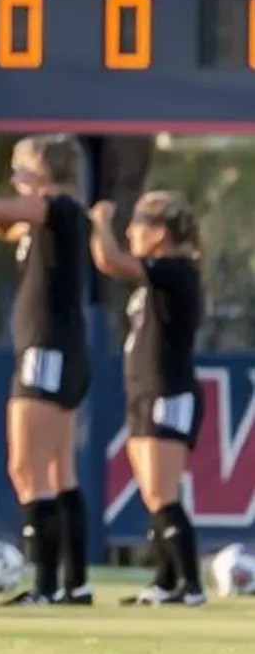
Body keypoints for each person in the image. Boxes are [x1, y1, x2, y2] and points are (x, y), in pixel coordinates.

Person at [0, 135, 93, 606]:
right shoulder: (47, 219)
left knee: (27, 468)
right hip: (55, 349)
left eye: (21, 166)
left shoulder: (58, 207)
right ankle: (74, 584)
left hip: (47, 351)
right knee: (58, 470)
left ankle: (47, 585)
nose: (15, 176)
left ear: (46, 170)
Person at [88, 191, 207, 606]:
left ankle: (190, 585)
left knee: (162, 491)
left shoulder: (175, 269)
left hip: (169, 390)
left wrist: (100, 223)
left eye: (139, 223)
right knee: (150, 492)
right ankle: (164, 579)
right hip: (143, 391)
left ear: (160, 233)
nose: (131, 231)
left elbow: (110, 261)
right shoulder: (156, 278)